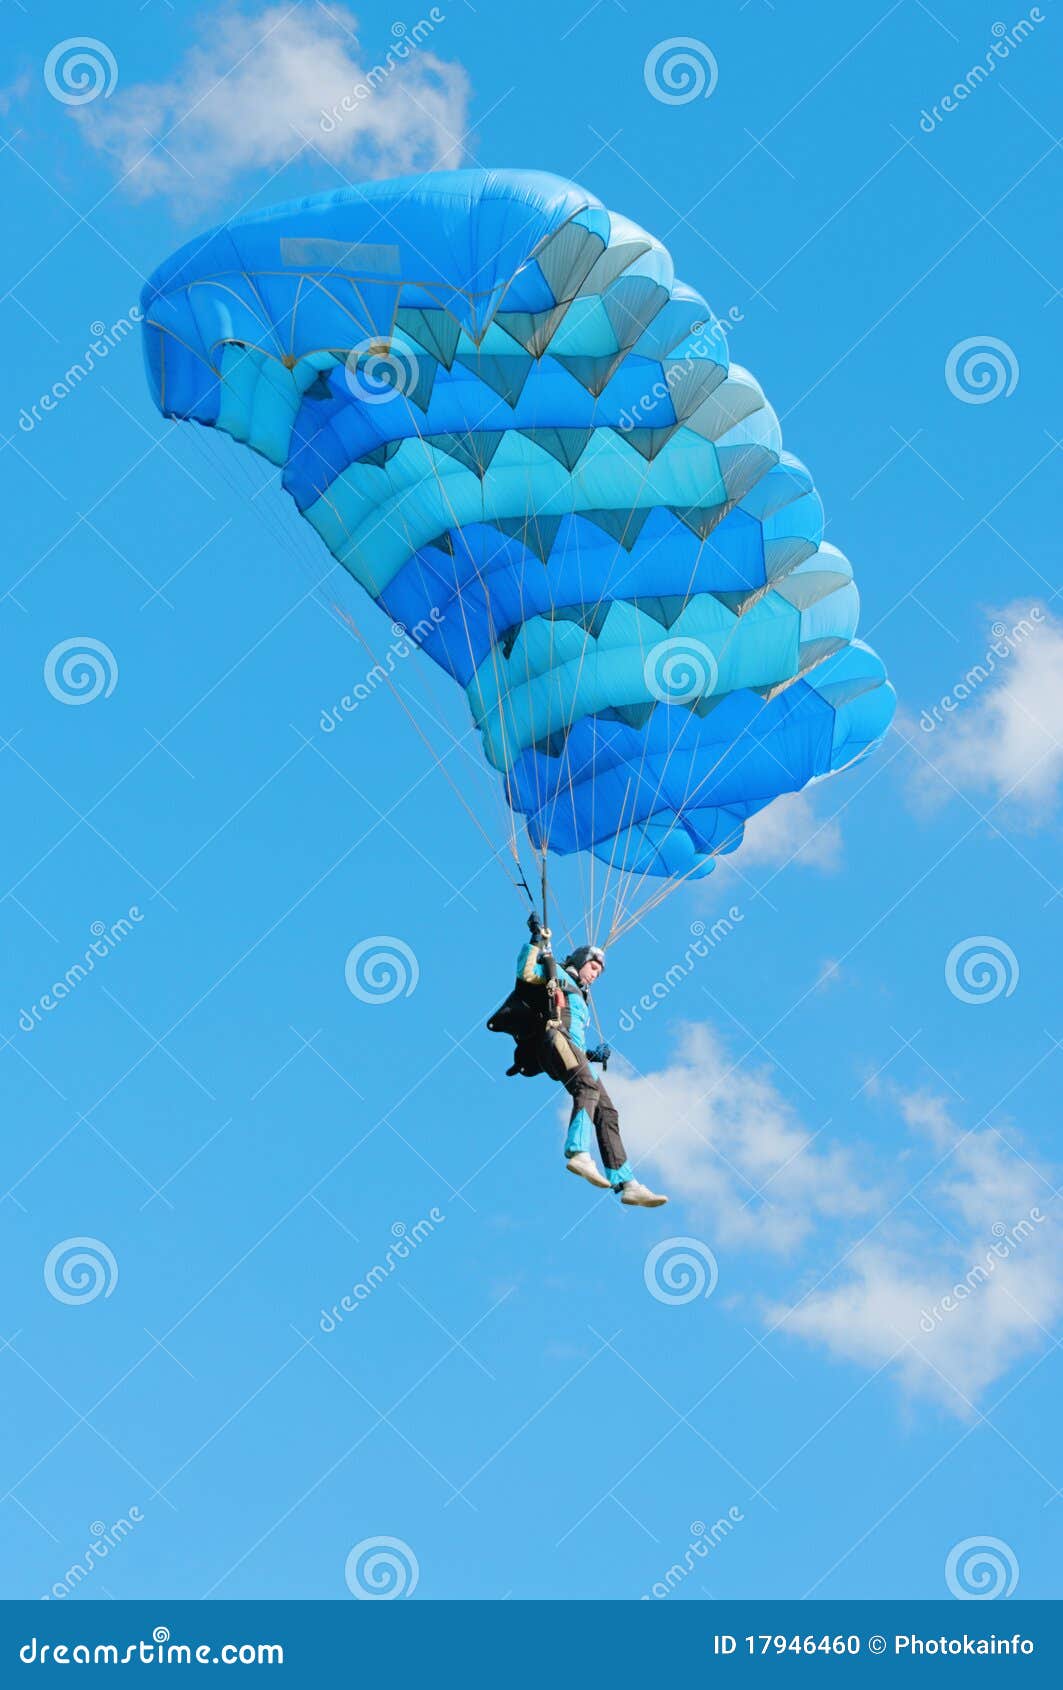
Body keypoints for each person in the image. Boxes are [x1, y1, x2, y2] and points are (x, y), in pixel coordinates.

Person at [511, 925, 668, 1208]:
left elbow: (575, 1035)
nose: (596, 974)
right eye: (593, 967)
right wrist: (535, 941)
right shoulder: (557, 973)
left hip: (571, 1048)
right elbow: (525, 973)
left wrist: (591, 1055)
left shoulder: (581, 998)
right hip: (554, 1039)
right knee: (586, 1088)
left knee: (607, 1112)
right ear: (581, 961)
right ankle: (578, 1152)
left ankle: (626, 1182)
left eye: (599, 971)